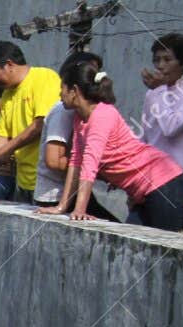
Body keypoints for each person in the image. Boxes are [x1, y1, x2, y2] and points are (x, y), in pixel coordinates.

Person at [40, 56, 183, 231]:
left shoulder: (103, 115)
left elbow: (90, 163)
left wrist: (79, 209)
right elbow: (76, 161)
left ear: (74, 90)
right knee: (134, 246)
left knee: (165, 248)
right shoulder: (79, 118)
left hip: (165, 183)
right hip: (142, 191)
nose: (60, 94)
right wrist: (62, 207)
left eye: (62, 89)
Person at [0, 41, 61, 203]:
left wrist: (7, 150)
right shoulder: (6, 95)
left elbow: (41, 124)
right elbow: (2, 134)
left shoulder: (44, 78)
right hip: (24, 181)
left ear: (9, 65)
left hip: (48, 183)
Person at [34, 52, 118, 219]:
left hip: (67, 192)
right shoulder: (64, 110)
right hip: (55, 194)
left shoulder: (84, 113)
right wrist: (102, 173)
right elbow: (54, 160)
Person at [139, 33, 183, 191]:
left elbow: (171, 128)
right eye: (156, 60)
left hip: (177, 178)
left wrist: (159, 90)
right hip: (150, 176)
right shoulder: (153, 94)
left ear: (182, 63)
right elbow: (144, 136)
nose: (160, 66)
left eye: (167, 60)